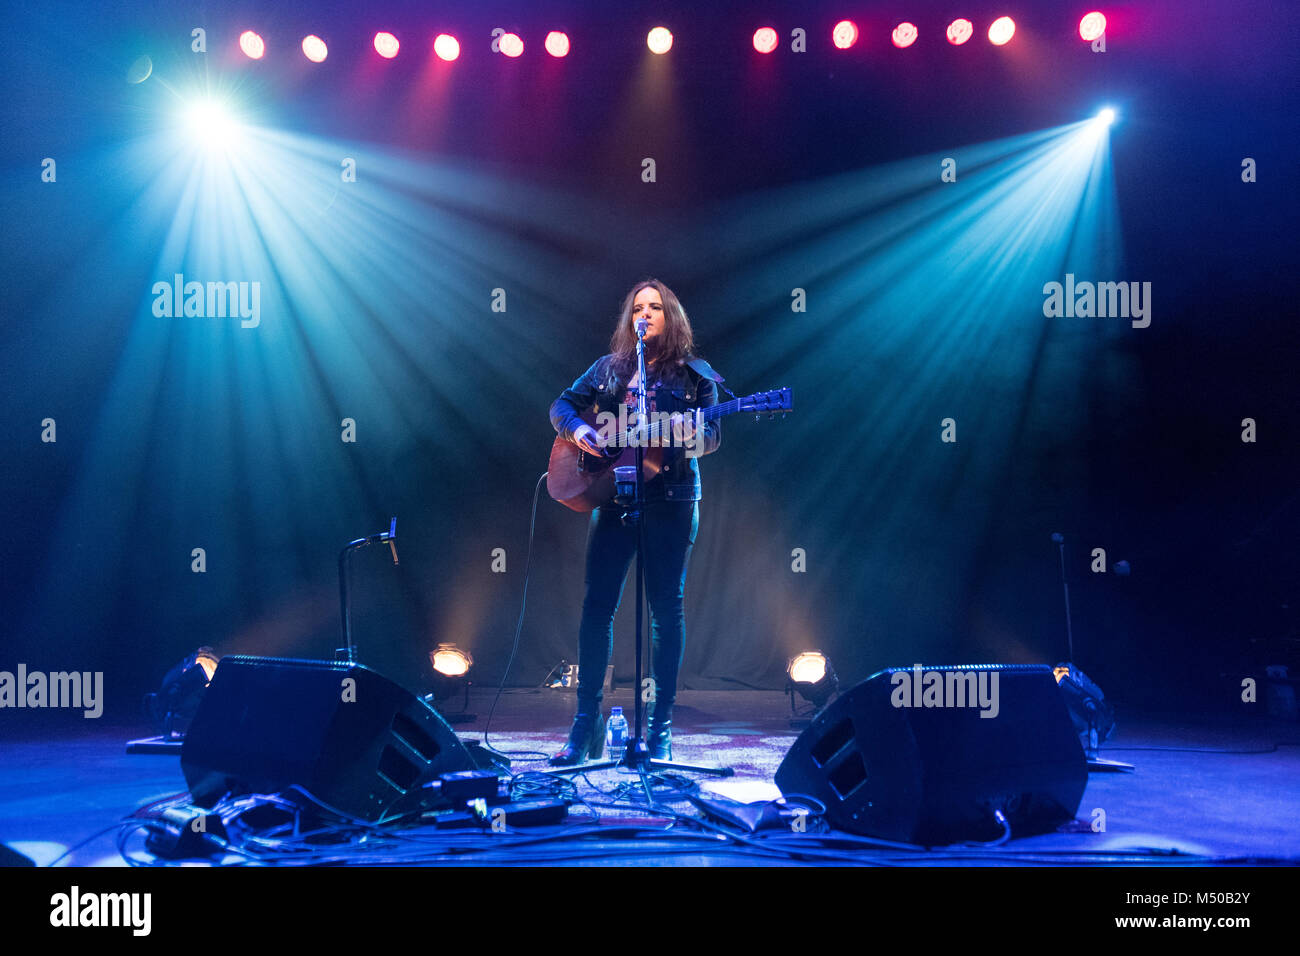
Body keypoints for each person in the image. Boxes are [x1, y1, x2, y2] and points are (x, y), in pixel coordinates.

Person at [547, 279, 722, 764]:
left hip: (672, 499)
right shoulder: (608, 369)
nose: (645, 315)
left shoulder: (695, 375)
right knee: (596, 607)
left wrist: (690, 436)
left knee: (667, 611)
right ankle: (586, 725)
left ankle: (659, 730)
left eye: (656, 308)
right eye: (637, 309)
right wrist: (580, 429)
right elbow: (560, 405)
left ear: (672, 318)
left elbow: (713, 435)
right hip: (615, 498)